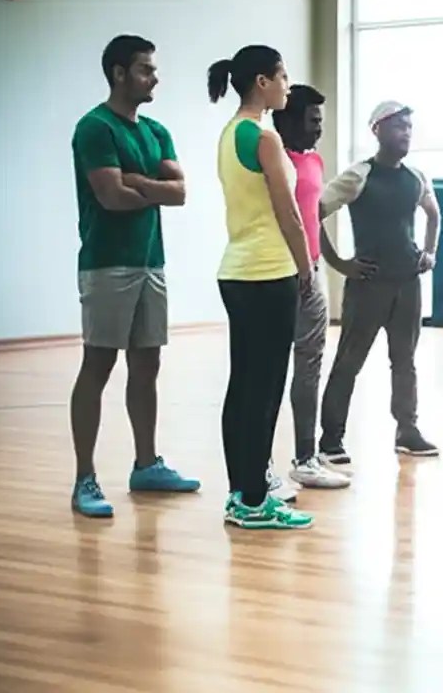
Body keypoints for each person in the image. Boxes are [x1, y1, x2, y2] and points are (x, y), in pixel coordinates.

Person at [69, 34, 200, 518]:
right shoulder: (95, 128)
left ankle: (146, 465)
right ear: (119, 73)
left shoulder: (156, 131)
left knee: (147, 365)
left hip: (151, 262)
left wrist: (137, 181)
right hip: (107, 264)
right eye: (146, 69)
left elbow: (180, 192)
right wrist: (150, 188)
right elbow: (111, 197)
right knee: (98, 365)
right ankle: (85, 478)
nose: (155, 78)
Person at [209, 45, 314, 530]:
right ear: (262, 82)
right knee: (265, 389)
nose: (288, 85)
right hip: (268, 273)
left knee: (244, 386)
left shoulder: (231, 133)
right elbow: (287, 212)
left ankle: (243, 494)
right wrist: (306, 269)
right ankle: (254, 500)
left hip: (237, 272)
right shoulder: (265, 137)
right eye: (283, 76)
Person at [316, 101, 440, 460]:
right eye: (398, 126)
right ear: (377, 130)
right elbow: (314, 212)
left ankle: (407, 430)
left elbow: (434, 214)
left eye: (409, 127)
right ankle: (331, 440)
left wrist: (429, 252)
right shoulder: (358, 175)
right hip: (368, 285)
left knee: (405, 361)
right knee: (349, 362)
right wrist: (338, 262)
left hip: (407, 283)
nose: (406, 133)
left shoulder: (416, 177)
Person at [269, 83, 350, 490]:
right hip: (278, 273)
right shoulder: (273, 161)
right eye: (313, 120)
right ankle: (261, 465)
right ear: (288, 120)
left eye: (321, 121)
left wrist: (333, 263)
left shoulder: (314, 160)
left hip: (312, 273)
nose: (319, 128)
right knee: (269, 368)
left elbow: (313, 218)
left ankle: (305, 457)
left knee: (309, 365)